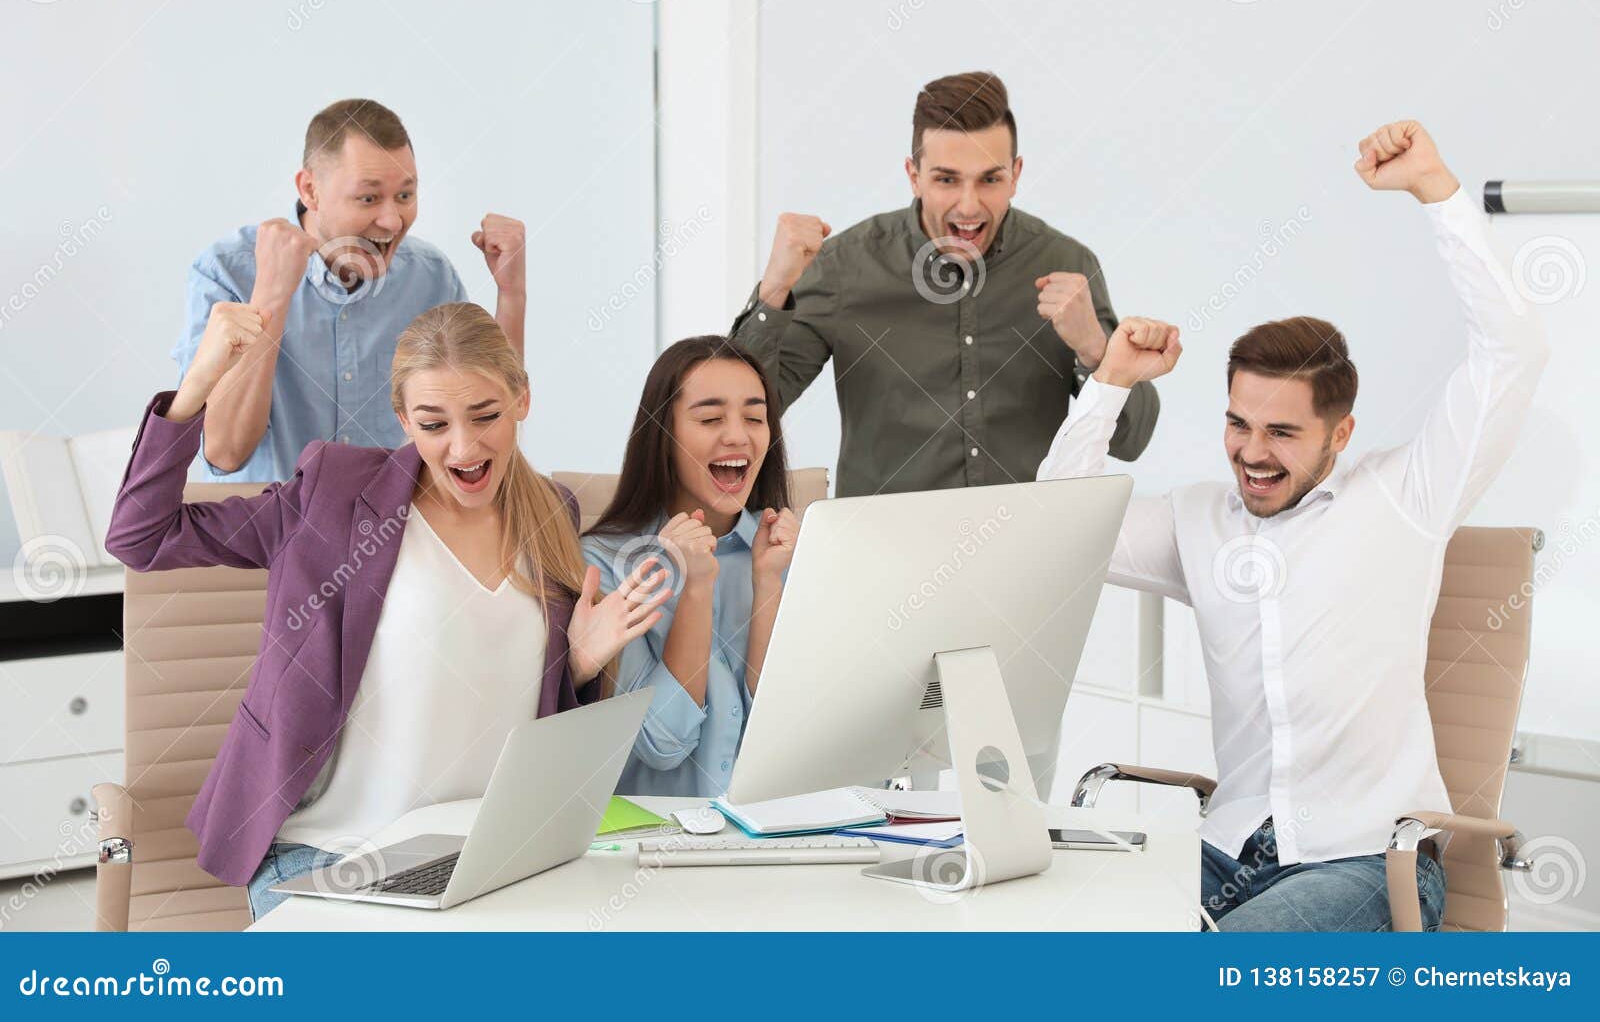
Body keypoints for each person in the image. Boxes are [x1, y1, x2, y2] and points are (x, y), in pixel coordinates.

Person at [1037, 120, 1549, 931]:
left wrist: (1436, 192)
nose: (1252, 453)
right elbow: (1053, 526)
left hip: (1370, 862)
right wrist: (1111, 380)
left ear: (1340, 435)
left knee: (1209, 981)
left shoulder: (1407, 496)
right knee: (1060, 942)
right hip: (1225, 846)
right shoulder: (1201, 520)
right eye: (1239, 424)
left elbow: (1511, 351)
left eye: (1282, 432)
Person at [107, 302, 672, 920]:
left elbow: (523, 719)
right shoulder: (335, 494)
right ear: (403, 419)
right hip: (329, 853)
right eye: (434, 424)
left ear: (522, 400)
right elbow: (143, 536)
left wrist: (579, 664)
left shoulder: (551, 514)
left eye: (486, 415)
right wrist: (198, 384)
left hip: (487, 854)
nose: (464, 446)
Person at [729, 70, 1158, 498]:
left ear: (1016, 173)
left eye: (990, 179)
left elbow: (1131, 440)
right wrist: (774, 289)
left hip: (1026, 548)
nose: (969, 205)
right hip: (885, 552)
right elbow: (746, 414)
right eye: (947, 179)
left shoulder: (1067, 264)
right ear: (913, 175)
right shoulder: (844, 266)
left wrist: (1095, 350)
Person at [173, 98, 530, 481]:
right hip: (267, 535)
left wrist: (511, 296)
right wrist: (271, 299)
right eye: (369, 198)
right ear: (310, 190)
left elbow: (489, 424)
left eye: (405, 195)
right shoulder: (227, 272)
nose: (393, 220)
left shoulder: (431, 277)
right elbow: (225, 452)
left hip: (392, 532)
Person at [580, 337, 800, 797]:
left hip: (774, 836)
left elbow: (789, 744)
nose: (738, 435)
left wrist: (767, 584)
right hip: (653, 847)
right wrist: (695, 587)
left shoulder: (795, 554)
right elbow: (662, 744)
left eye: (755, 417)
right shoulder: (604, 565)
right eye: (710, 418)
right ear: (664, 434)